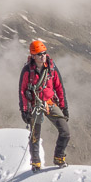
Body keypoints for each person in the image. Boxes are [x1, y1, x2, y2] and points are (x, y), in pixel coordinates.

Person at [18, 39, 70, 170]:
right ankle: (35, 162)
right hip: (35, 105)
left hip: (50, 103)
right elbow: (22, 91)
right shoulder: (27, 70)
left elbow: (59, 88)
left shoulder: (51, 68)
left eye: (44, 53)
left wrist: (64, 107)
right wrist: (24, 110)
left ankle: (59, 157)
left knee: (65, 131)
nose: (43, 56)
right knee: (35, 136)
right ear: (33, 56)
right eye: (40, 54)